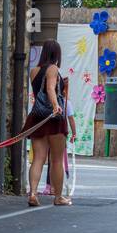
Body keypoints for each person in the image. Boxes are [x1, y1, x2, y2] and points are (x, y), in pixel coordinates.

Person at [26, 40, 70, 206]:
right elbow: (50, 88)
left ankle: (33, 193)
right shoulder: (53, 68)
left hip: (38, 116)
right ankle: (58, 197)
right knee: (57, 159)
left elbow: (40, 91)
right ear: (56, 54)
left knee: (38, 158)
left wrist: (63, 87)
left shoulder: (34, 71)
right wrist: (56, 105)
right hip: (52, 118)